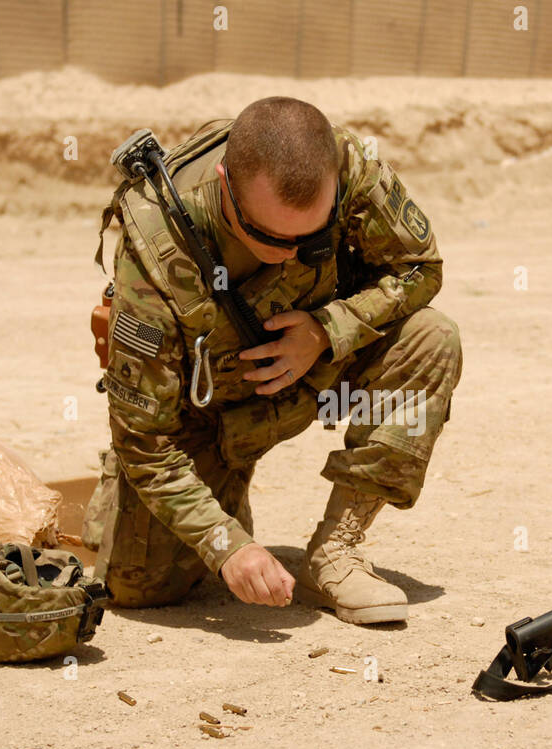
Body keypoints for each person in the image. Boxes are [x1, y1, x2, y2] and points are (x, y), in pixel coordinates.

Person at [89, 96, 461, 624]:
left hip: (318, 369)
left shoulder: (348, 168)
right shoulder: (155, 248)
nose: (292, 252)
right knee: (139, 588)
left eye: (312, 238)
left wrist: (328, 329)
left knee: (432, 336)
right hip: (209, 416)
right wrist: (226, 544)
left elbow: (420, 268)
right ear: (225, 184)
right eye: (270, 238)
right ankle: (212, 494)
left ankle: (336, 551)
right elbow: (144, 443)